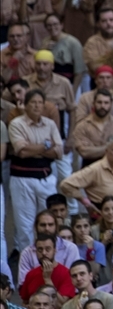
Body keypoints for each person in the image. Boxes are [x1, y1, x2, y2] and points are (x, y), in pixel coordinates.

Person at [8, 90, 62, 252]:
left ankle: (50, 256)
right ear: (25, 105)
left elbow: (59, 152)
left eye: (40, 102)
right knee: (25, 226)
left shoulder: (50, 124)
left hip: (46, 178)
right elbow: (22, 151)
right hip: (22, 179)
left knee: (48, 222)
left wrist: (34, 148)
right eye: (33, 102)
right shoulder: (17, 124)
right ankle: (28, 261)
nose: (37, 106)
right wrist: (46, 145)